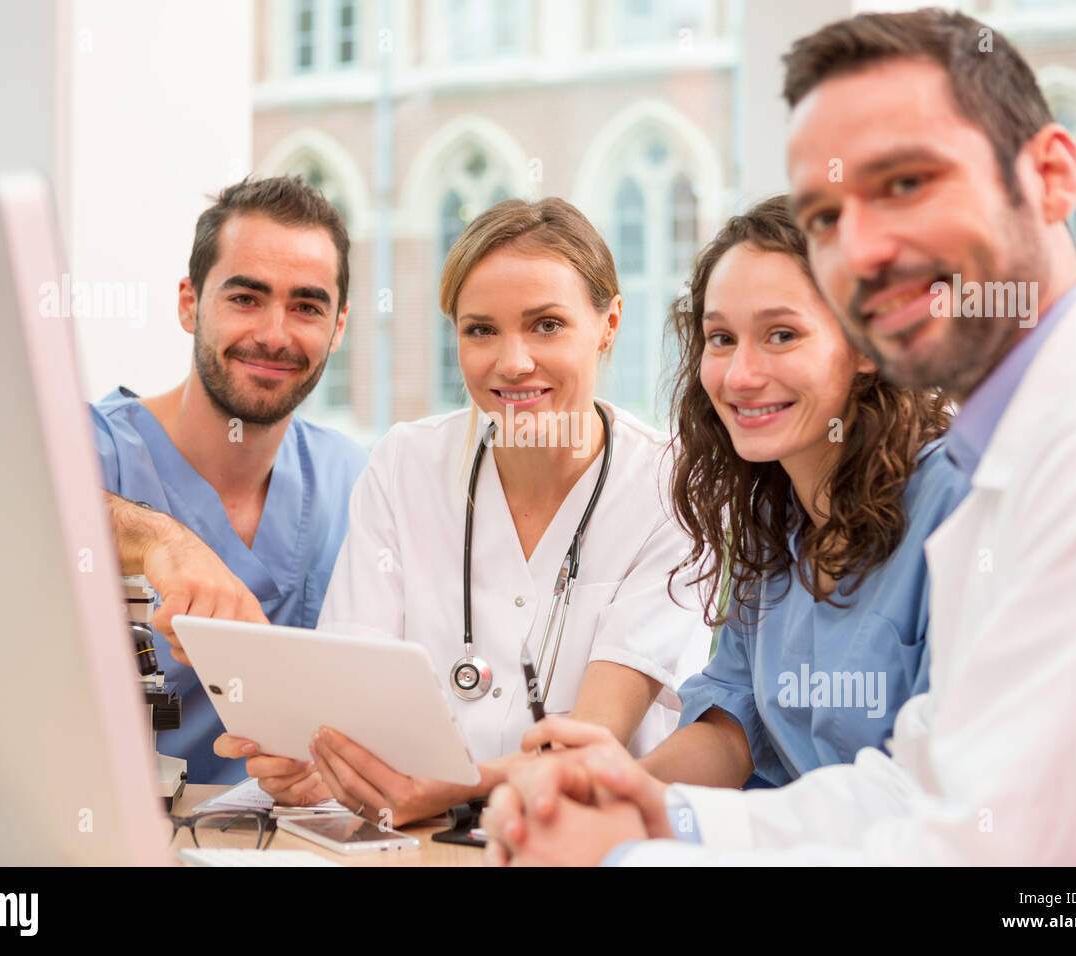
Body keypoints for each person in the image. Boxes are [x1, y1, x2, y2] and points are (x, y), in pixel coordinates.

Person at [482, 8, 1076, 865]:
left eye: (905, 183)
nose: (860, 246)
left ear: (1052, 175)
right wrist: (654, 811)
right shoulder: (1006, 461)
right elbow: (911, 783)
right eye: (825, 214)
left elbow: (1002, 857)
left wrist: (629, 855)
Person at [228, 197, 713, 821]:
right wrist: (319, 760)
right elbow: (351, 690)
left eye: (547, 325)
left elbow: (594, 740)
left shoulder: (673, 488)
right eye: (480, 329)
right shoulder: (405, 466)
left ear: (609, 323)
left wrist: (454, 785)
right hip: (414, 844)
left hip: (582, 843)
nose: (511, 363)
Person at [481, 194, 966, 800]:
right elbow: (733, 730)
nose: (739, 375)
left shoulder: (956, 505)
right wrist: (607, 791)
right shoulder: (774, 510)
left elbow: (939, 787)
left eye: (782, 335)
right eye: (721, 338)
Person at [92, 176, 366, 783]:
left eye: (307, 306)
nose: (274, 334)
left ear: (339, 325)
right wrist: (162, 539)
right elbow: (15, 507)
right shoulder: (93, 449)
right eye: (246, 298)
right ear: (189, 303)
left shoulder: (357, 483)